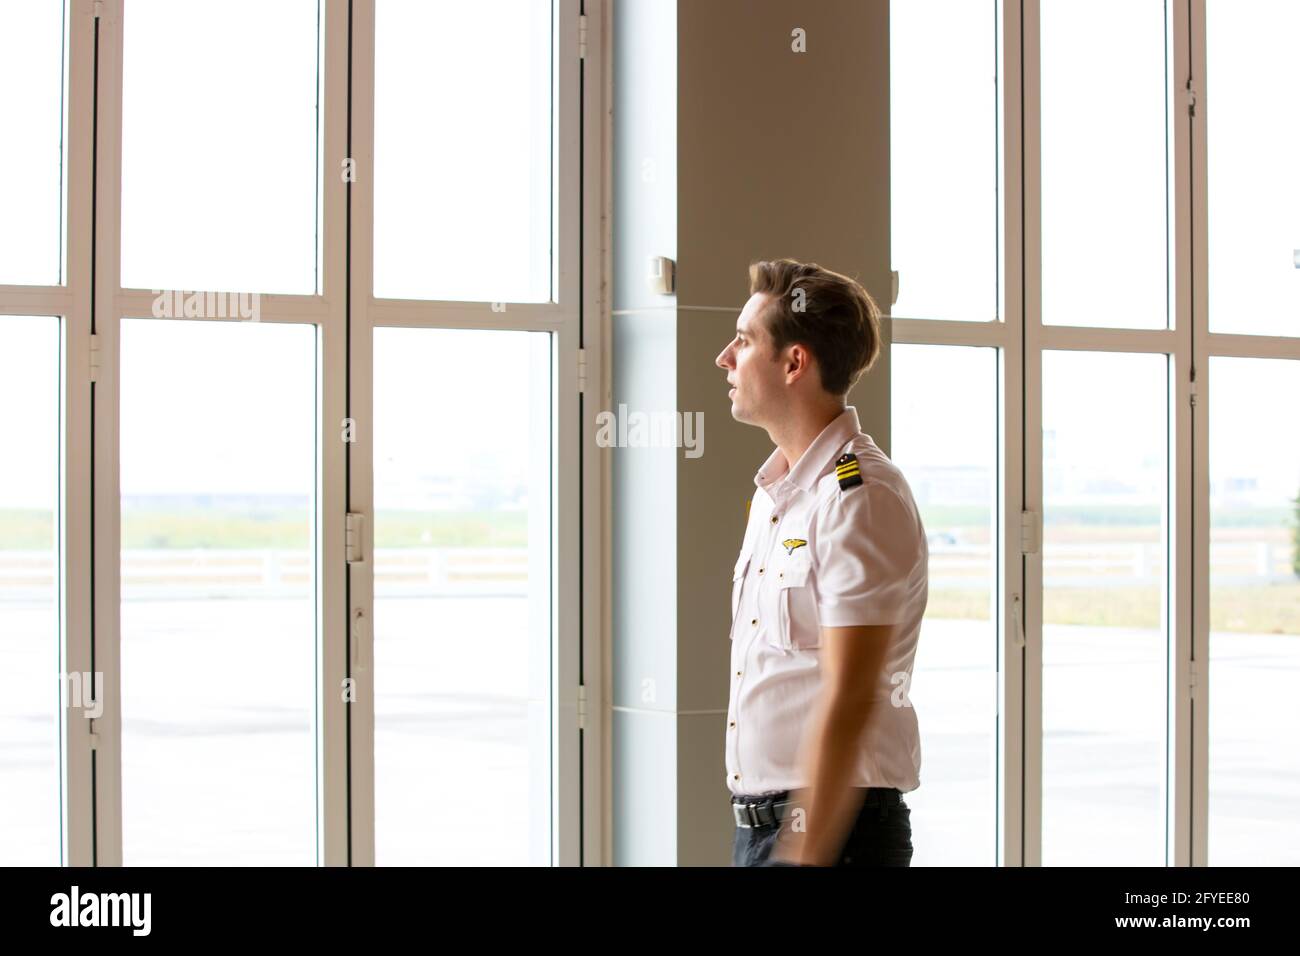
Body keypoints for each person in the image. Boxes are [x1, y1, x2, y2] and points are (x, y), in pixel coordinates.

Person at [715, 258, 929, 867]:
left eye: (745, 340)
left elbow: (853, 692)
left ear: (794, 363)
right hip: (768, 827)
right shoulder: (777, 493)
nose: (725, 358)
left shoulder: (859, 497)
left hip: (833, 836)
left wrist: (804, 849)